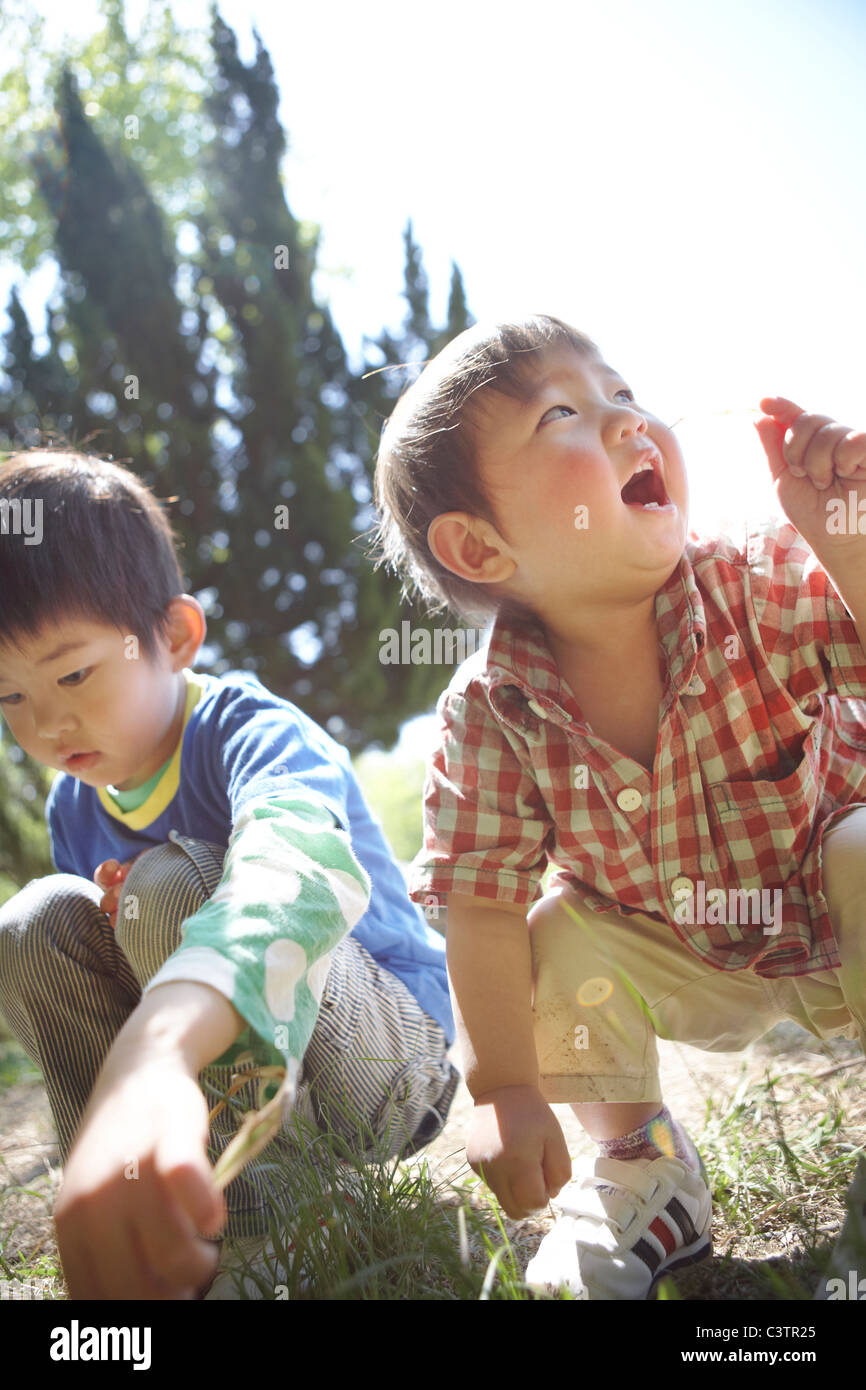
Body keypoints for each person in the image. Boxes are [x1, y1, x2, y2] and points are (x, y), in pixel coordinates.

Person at [372, 313, 866, 1300]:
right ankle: (640, 1166)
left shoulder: (762, 579)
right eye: (565, 410)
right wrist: (503, 1088)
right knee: (550, 935)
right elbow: (475, 905)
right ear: (478, 544)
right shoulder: (489, 713)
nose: (627, 421)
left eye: (623, 394)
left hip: (841, 920)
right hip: (682, 960)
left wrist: (847, 528)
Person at [0, 448, 458, 1300]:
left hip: (382, 1066)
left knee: (173, 885)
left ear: (173, 637)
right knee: (34, 923)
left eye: (72, 672)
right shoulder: (75, 806)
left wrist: (158, 1042)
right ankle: (134, 1199)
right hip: (222, 1080)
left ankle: (266, 1229)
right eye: (9, 697)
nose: (49, 720)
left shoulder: (248, 732)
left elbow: (299, 865)